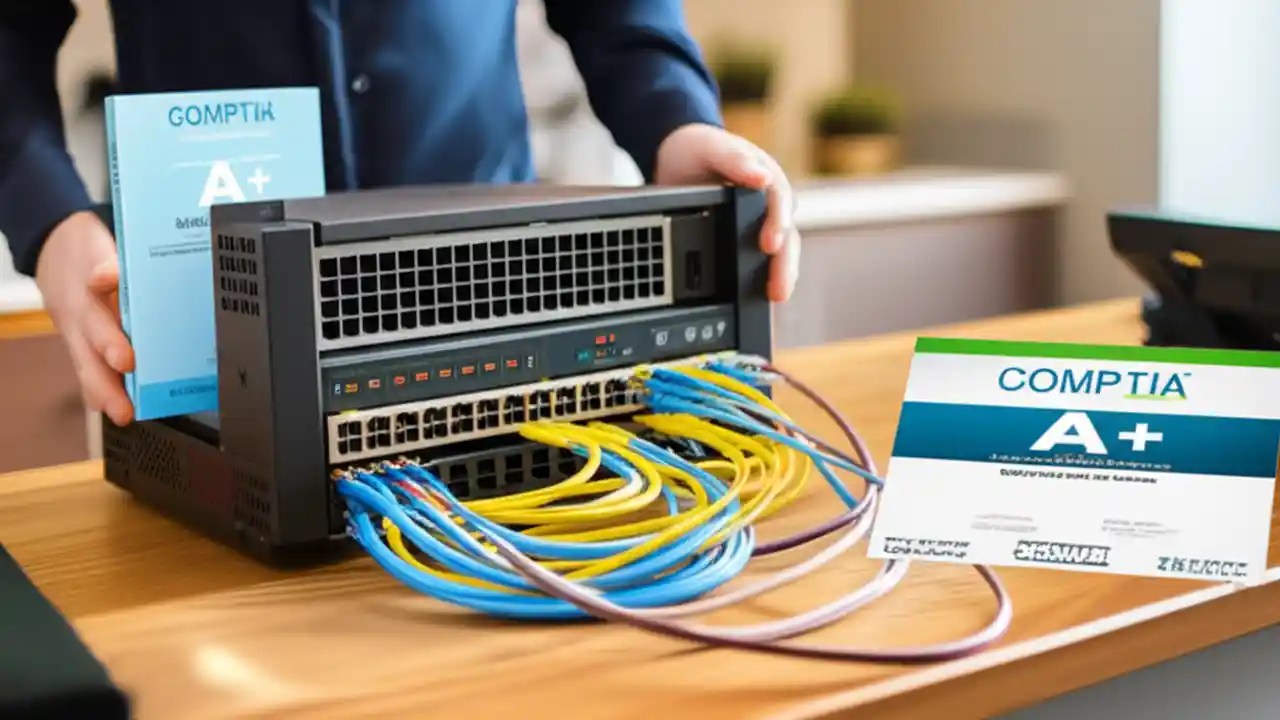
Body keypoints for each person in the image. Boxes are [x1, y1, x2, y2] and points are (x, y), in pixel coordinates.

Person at [0, 2, 800, 428]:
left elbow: (618, 10)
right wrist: (51, 218)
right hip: (202, 321)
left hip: (503, 300)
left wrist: (676, 120)